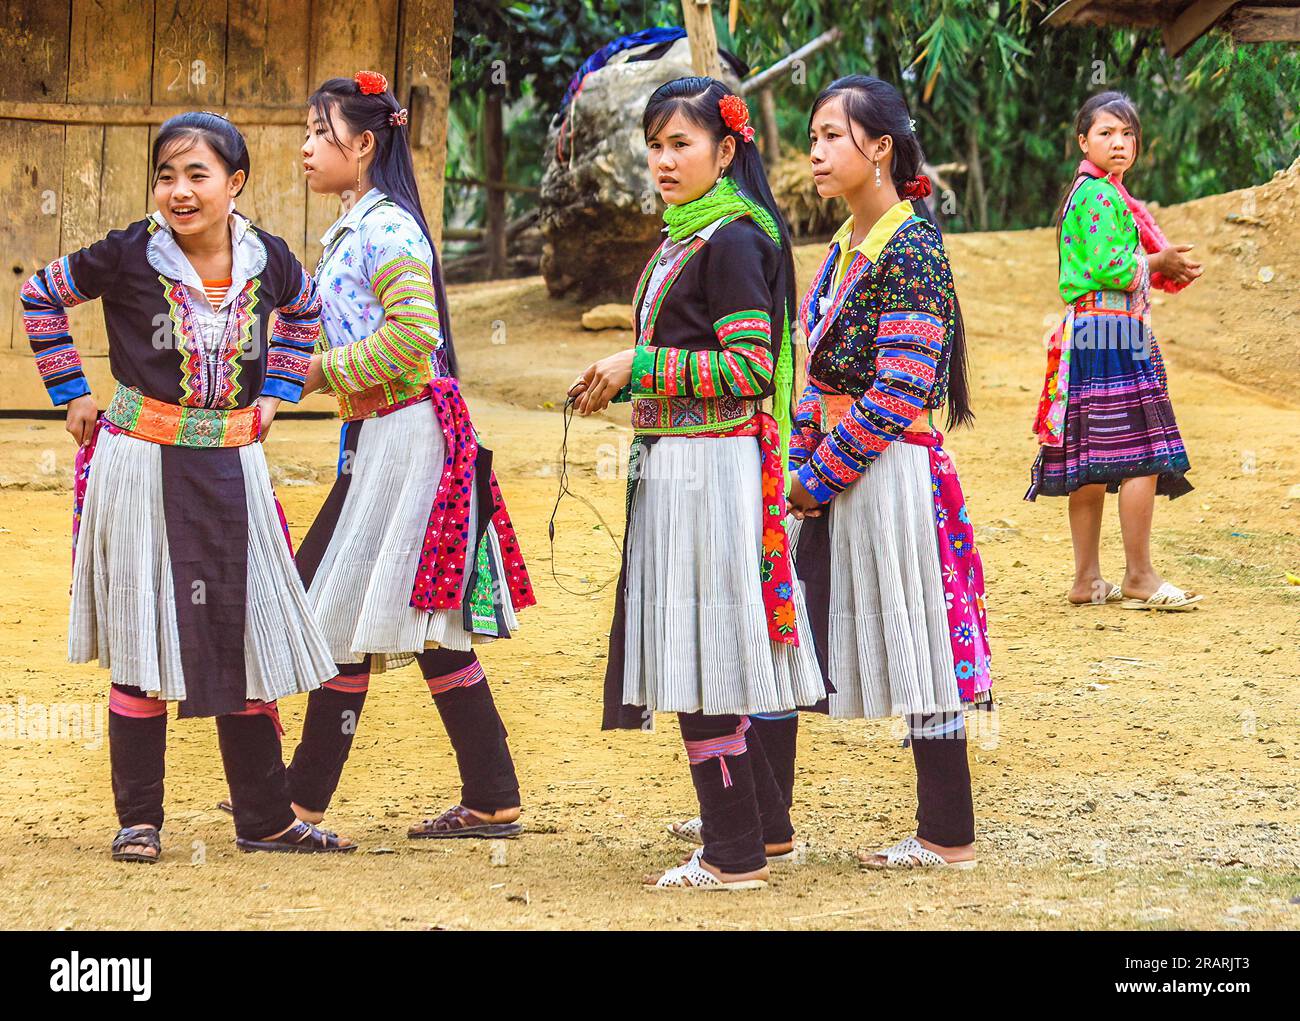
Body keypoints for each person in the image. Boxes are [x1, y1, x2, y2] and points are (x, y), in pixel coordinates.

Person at [22, 111, 354, 861]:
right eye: (166, 174)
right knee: (145, 637)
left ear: (234, 183)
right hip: (141, 461)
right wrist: (72, 390)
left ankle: (265, 820)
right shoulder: (128, 255)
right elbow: (41, 296)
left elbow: (305, 314)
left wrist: (277, 391)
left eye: (197, 174)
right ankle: (139, 819)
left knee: (241, 635)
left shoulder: (268, 259)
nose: (179, 190)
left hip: (233, 467)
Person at [248, 70, 536, 840]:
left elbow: (414, 338)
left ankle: (300, 801)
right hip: (385, 436)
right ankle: (490, 793)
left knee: (346, 611)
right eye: (308, 132)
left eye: (320, 133)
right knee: (409, 617)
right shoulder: (359, 223)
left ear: (365, 143)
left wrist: (317, 374)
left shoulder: (388, 230)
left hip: (410, 436)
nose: (306, 147)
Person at [571, 78, 824, 890]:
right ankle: (762, 829)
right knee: (705, 644)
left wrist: (637, 363)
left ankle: (732, 853)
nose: (663, 160)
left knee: (705, 650)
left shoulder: (735, 241)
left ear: (726, 150)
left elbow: (751, 367)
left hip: (708, 470)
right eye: (655, 145)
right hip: (683, 463)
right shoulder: (691, 236)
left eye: (681, 144)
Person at [784, 75, 992, 869]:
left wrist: (813, 478)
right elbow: (817, 379)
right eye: (812, 137)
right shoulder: (844, 247)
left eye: (833, 135)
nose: (815, 151)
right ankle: (763, 817)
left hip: (889, 472)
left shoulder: (910, 249)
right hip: (840, 471)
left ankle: (947, 834)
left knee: (920, 645)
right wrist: (803, 460)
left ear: (880, 148)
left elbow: (898, 390)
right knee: (792, 628)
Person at [1026, 91, 1203, 611]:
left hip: (1087, 332)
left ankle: (1087, 581)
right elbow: (1111, 265)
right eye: (1106, 133)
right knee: (1141, 455)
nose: (1119, 143)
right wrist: (1157, 261)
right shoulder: (1102, 197)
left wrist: (1158, 261)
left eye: (1128, 135)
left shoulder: (1088, 192)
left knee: (1089, 457)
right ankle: (1140, 577)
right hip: (1115, 333)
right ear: (1084, 141)